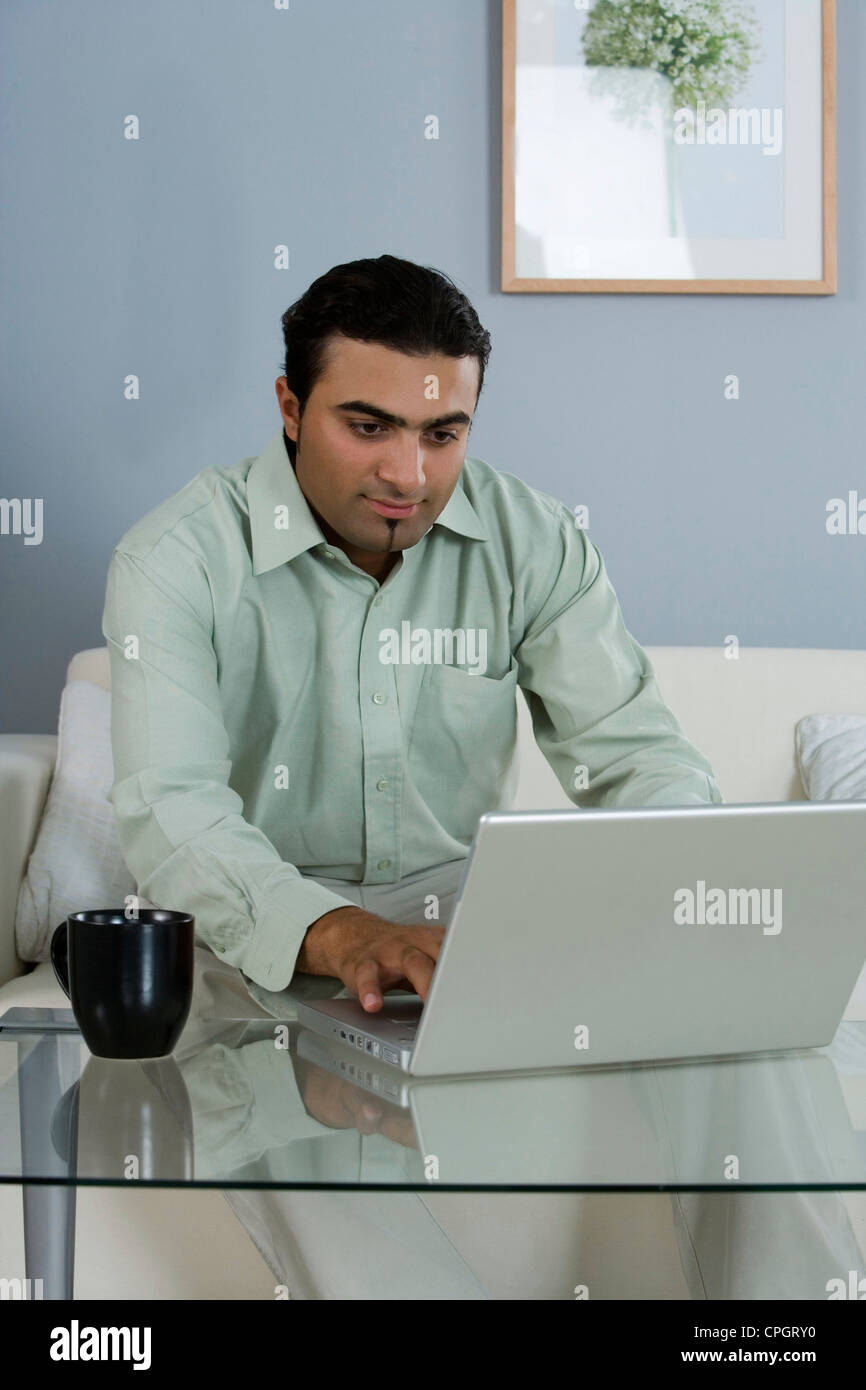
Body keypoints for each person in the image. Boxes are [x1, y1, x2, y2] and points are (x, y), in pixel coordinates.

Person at [102, 253, 861, 1298]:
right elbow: (174, 811)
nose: (406, 474)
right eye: (366, 425)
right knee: (338, 1208)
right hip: (252, 940)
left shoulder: (533, 540)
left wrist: (691, 897)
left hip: (462, 929)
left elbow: (635, 758)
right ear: (289, 404)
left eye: (440, 433)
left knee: (748, 1030)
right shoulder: (175, 559)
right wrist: (338, 931)